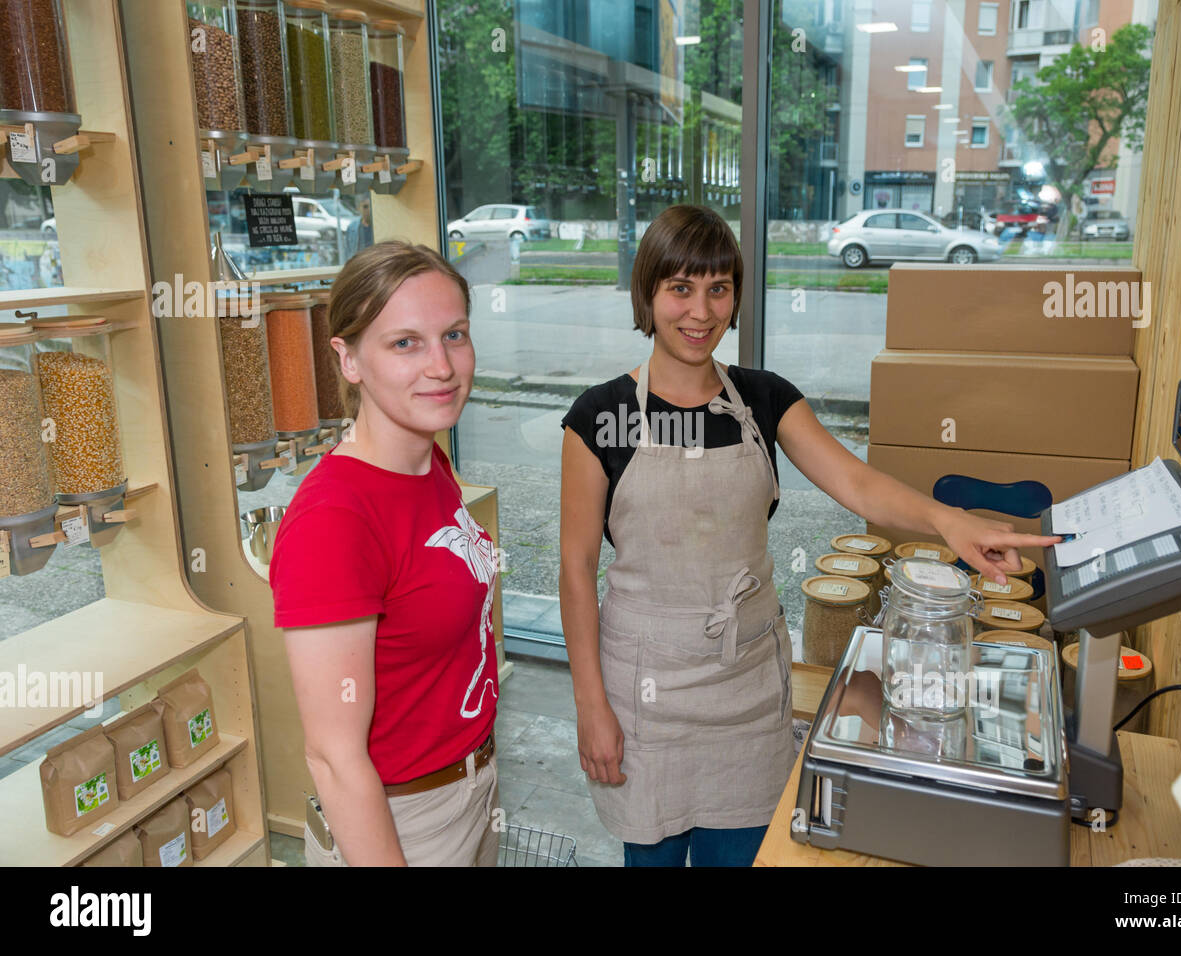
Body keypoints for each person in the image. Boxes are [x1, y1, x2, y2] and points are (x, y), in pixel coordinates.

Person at [559, 204, 1059, 867]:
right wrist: (591, 704)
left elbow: (856, 484)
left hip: (744, 689)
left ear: (736, 296)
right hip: (644, 692)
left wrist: (949, 520)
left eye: (718, 288)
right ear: (647, 294)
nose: (700, 311)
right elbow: (574, 566)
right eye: (679, 288)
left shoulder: (765, 401)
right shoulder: (601, 417)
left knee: (743, 855)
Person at [270, 240, 500, 866]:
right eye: (405, 343)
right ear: (348, 360)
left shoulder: (430, 465)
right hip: (402, 825)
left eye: (454, 334)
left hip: (472, 789)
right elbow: (334, 759)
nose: (442, 366)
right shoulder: (334, 521)